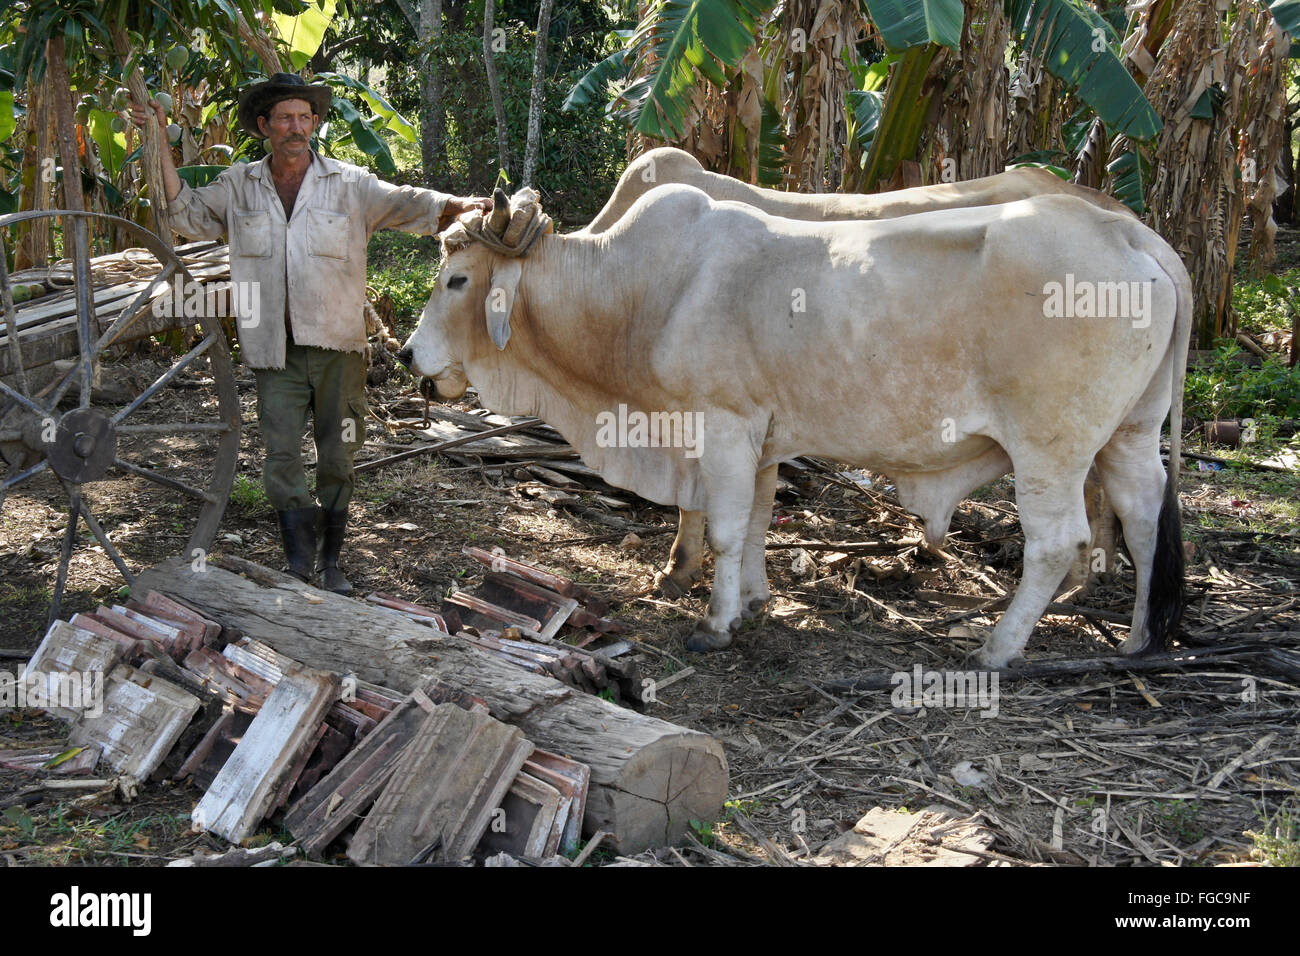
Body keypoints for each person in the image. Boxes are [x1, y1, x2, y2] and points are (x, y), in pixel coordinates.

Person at [130, 74, 490, 593]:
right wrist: (158, 142)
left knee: (339, 455)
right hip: (272, 351)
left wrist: (464, 204)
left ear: (315, 124)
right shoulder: (239, 186)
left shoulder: (350, 185)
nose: (295, 128)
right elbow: (185, 212)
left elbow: (413, 203)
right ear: (264, 127)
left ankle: (331, 564)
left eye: (303, 117)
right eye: (283, 119)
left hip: (338, 350)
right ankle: (297, 563)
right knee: (280, 458)